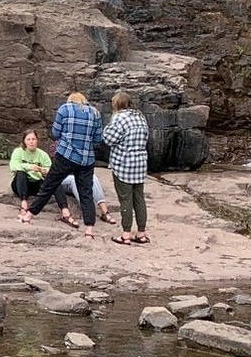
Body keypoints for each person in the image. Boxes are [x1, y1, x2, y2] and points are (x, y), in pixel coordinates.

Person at [23, 90, 102, 237]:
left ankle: (29, 215)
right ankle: (89, 230)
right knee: (86, 193)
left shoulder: (64, 109)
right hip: (86, 160)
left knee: (49, 185)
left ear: (70, 100)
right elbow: (98, 140)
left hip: (65, 155)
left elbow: (55, 133)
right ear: (84, 101)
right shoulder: (95, 113)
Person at [102, 90, 152, 244]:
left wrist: (106, 128)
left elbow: (108, 139)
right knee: (139, 199)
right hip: (140, 163)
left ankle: (126, 234)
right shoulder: (140, 117)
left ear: (117, 104)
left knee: (125, 200)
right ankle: (141, 233)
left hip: (123, 165)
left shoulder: (119, 118)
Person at [8, 129, 52, 214]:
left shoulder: (43, 154)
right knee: (21, 173)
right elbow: (13, 166)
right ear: (24, 141)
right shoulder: (18, 151)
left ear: (37, 141)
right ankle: (24, 202)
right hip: (20, 184)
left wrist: (44, 171)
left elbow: (50, 169)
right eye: (28, 139)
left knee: (52, 182)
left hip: (36, 184)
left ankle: (64, 210)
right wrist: (29, 167)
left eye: (33, 139)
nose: (31, 142)